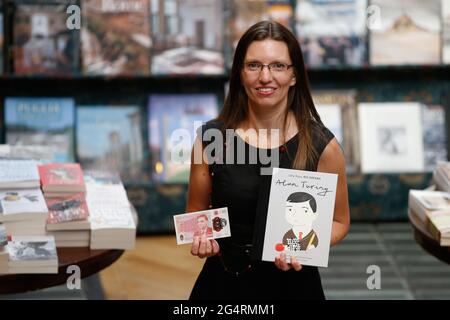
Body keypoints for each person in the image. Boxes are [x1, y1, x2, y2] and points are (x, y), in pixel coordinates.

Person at [186, 20, 350, 300]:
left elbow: (339, 221)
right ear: (240, 73)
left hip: (295, 287)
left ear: (294, 75)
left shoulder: (323, 146)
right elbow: (196, 214)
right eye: (254, 65)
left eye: (277, 66)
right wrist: (203, 238)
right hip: (224, 286)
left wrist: (304, 247)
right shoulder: (211, 139)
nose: (265, 77)